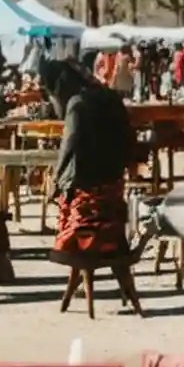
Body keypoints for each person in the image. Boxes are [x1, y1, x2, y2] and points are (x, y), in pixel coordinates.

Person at [44, 56, 134, 266]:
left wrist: (57, 182)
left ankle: (81, 259)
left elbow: (69, 146)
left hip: (87, 188)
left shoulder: (77, 104)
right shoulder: (111, 97)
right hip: (113, 183)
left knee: (76, 229)